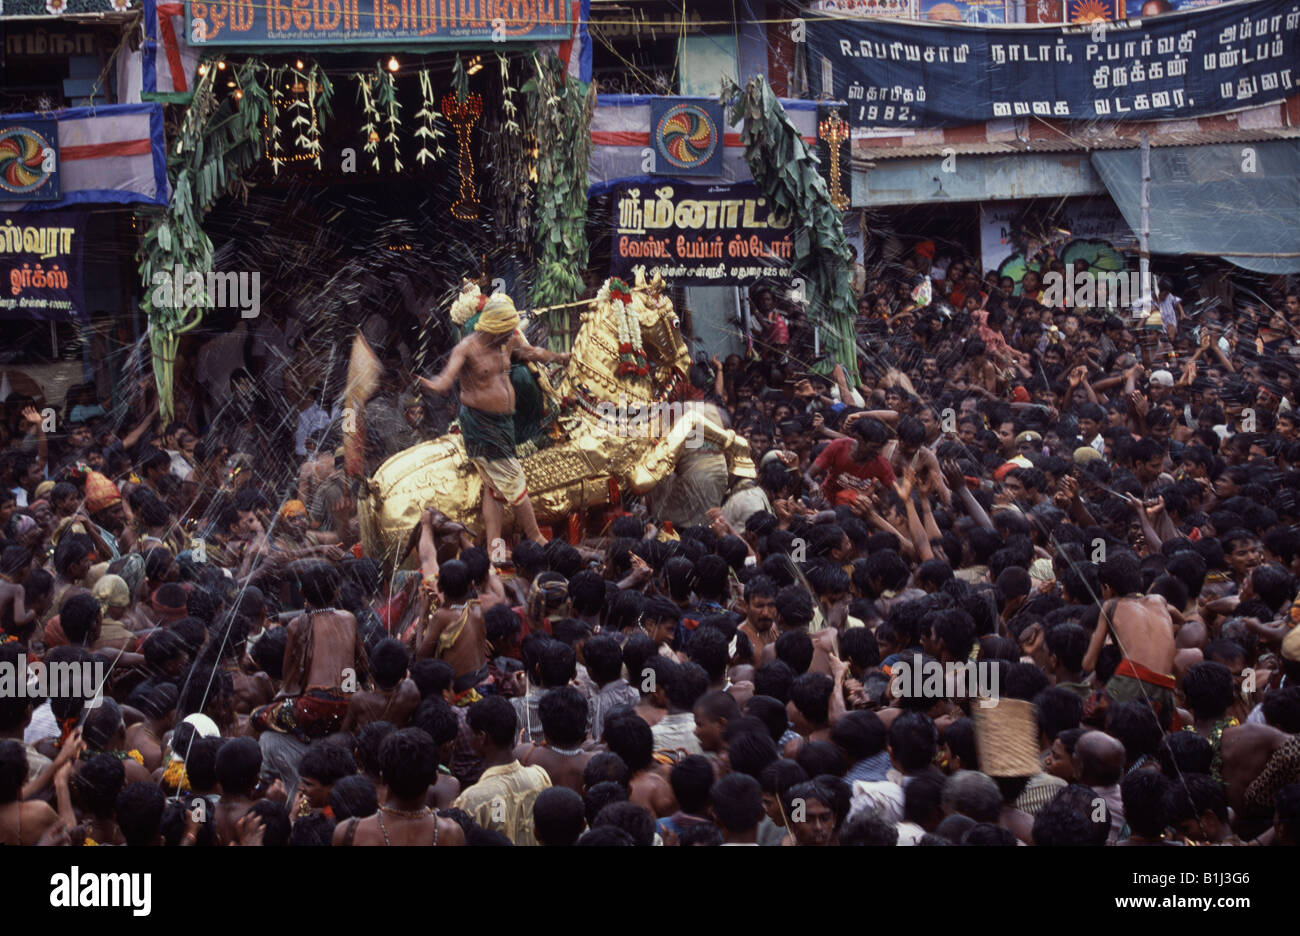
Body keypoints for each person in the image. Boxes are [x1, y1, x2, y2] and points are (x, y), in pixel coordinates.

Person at [419, 292, 570, 550]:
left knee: (495, 491)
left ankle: (494, 548)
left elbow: (533, 352)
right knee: (514, 480)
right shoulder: (466, 348)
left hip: (504, 425)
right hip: (480, 426)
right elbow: (446, 380)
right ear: (490, 327)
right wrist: (431, 384)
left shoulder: (505, 342)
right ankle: (536, 536)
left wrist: (559, 358)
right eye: (505, 330)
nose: (511, 334)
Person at [452, 696, 552, 845]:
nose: (469, 738)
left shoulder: (471, 800)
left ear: (482, 738)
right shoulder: (539, 777)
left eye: (471, 733)